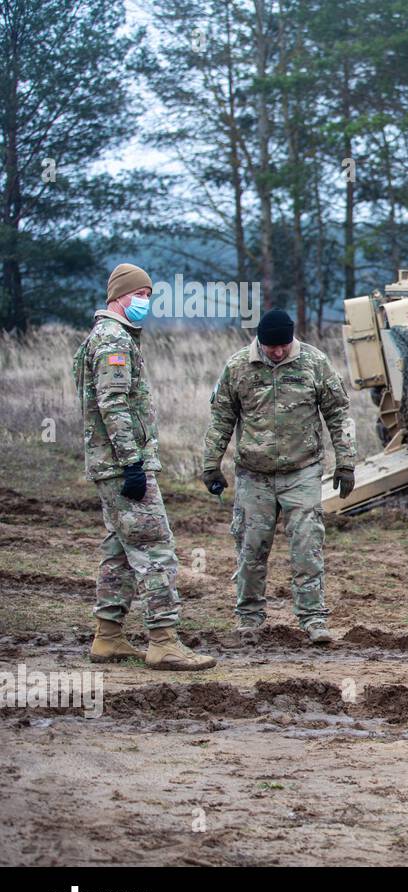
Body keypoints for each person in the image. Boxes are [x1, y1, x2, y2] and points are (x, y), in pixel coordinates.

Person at [74, 263, 216, 670]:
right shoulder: (113, 341)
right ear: (119, 296)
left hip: (113, 464)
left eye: (149, 295)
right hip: (123, 465)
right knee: (155, 548)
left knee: (119, 549)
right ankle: (164, 641)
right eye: (141, 295)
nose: (146, 302)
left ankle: (108, 636)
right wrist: (132, 463)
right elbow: (113, 404)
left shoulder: (110, 337)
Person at [201, 309, 356, 646]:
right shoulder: (239, 366)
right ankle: (249, 620)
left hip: (302, 471)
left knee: (306, 545)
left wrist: (346, 463)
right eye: (271, 347)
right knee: (251, 548)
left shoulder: (314, 363)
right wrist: (211, 465)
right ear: (260, 342)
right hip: (254, 475)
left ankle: (313, 619)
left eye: (283, 346)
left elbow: (339, 413)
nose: (277, 353)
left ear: (291, 340)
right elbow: (221, 418)